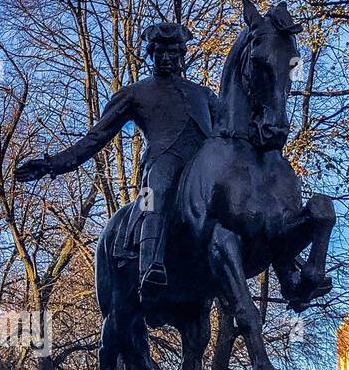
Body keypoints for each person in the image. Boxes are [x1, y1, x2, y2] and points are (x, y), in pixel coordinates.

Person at [16, 21, 220, 307]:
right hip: (161, 164)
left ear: (181, 54)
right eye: (159, 51)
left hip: (204, 167)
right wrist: (52, 164)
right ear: (150, 54)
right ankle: (151, 266)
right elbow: (96, 137)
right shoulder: (135, 94)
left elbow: (231, 131)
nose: (165, 58)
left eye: (172, 51)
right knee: (156, 193)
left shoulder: (204, 95)